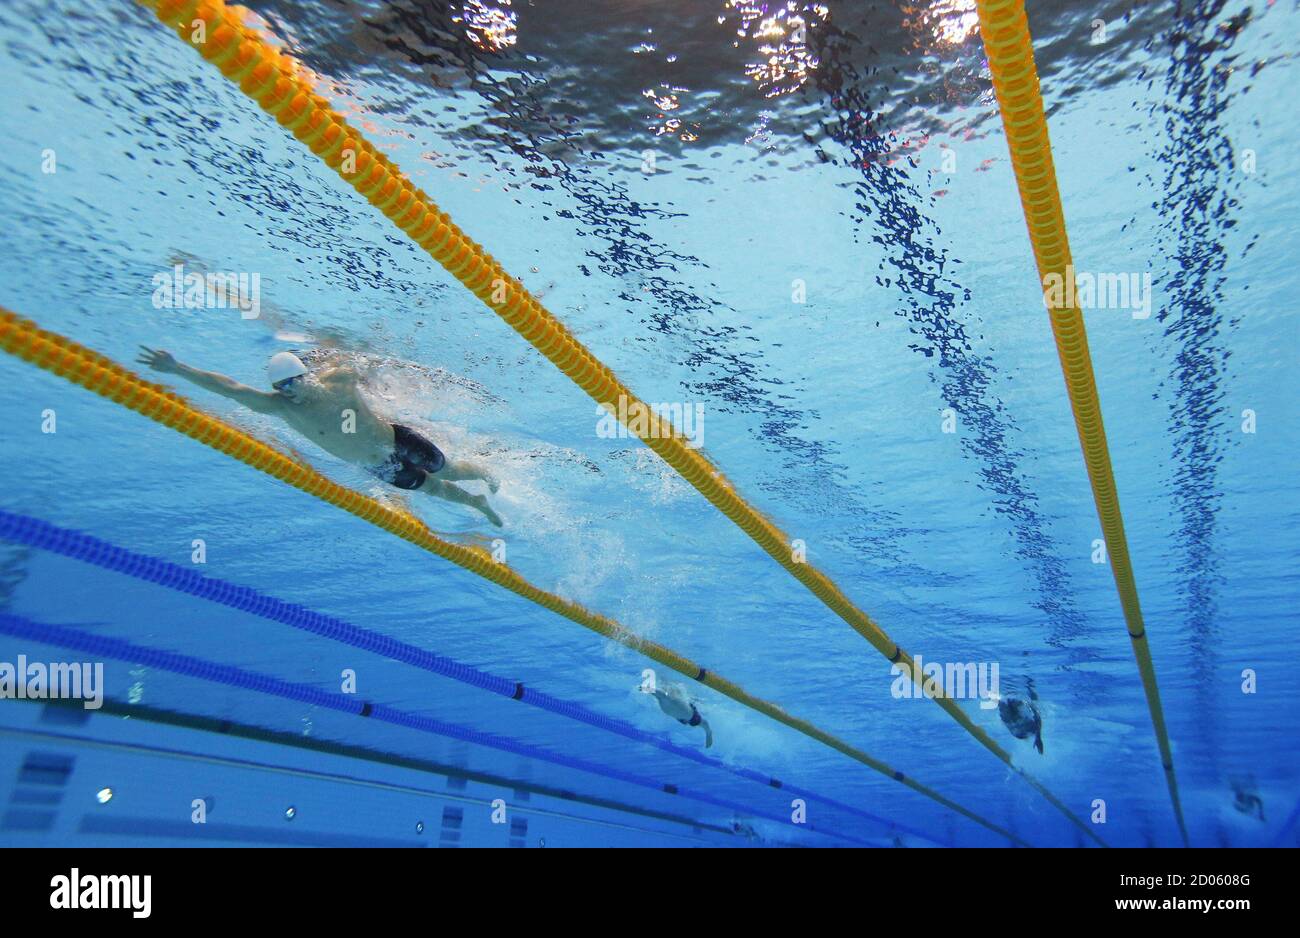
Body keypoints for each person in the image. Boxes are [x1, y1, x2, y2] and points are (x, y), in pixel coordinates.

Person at [135, 348, 502, 526]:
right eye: (282, 387)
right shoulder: (281, 407)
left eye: (293, 382)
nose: (289, 391)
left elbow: (365, 359)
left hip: (396, 440)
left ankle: (483, 474)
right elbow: (230, 388)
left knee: (447, 470)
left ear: (305, 375)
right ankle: (477, 505)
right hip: (377, 465)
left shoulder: (339, 380)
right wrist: (177, 368)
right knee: (432, 490)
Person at [649, 681, 713, 748]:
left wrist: (646, 688)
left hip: (684, 711)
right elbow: (658, 693)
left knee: (701, 722)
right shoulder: (664, 700)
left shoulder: (666, 698)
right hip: (681, 712)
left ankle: (709, 733)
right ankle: (708, 732)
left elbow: (659, 693)